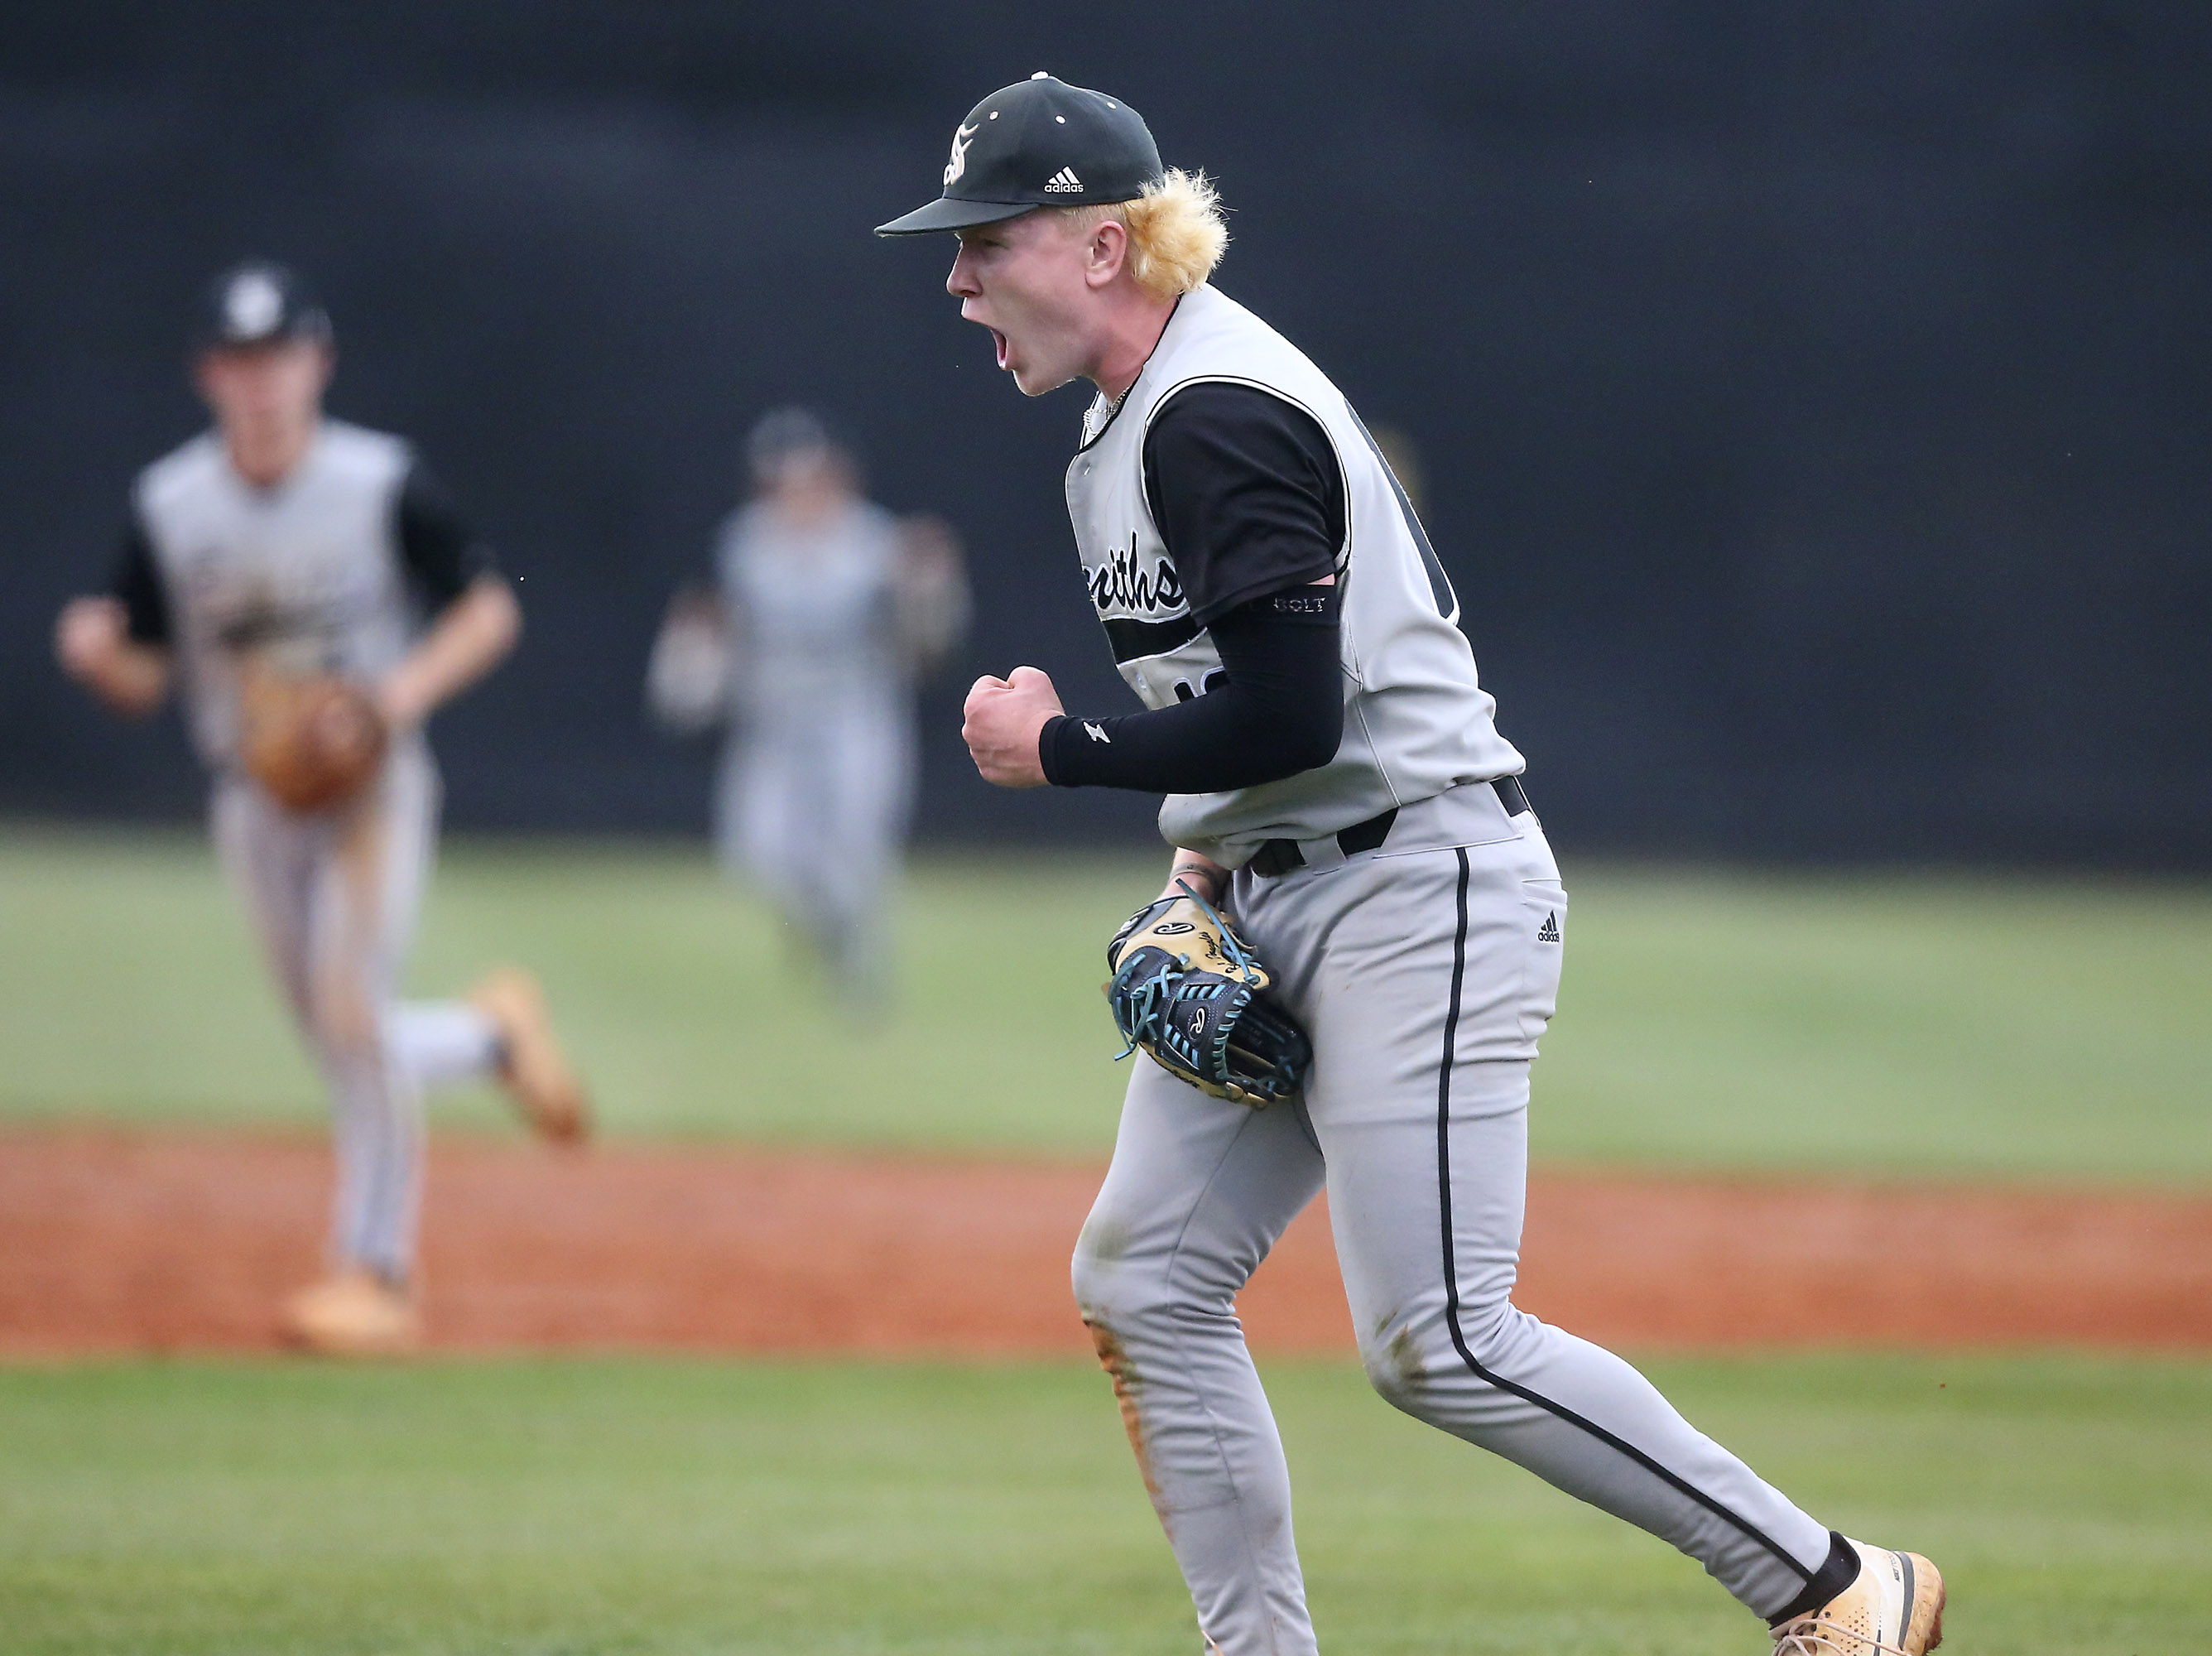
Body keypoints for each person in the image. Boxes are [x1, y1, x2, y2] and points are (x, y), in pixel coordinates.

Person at [878, 76, 1945, 1656]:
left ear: (1102, 246)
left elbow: (1297, 711)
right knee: (1145, 1284)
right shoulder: (1130, 419)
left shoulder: (1214, 410)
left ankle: (1836, 1586)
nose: (958, 276)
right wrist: (1204, 868)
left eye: (987, 240)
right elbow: (1253, 718)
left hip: (1416, 883)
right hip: (1285, 878)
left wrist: (1068, 753)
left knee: (1439, 1337)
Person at [54, 261, 590, 1355]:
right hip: (254, 799)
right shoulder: (174, 504)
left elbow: (488, 612)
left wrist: (389, 705)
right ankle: (495, 1035)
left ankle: (377, 1274)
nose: (262, 382)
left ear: (319, 363)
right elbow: (151, 672)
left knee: (351, 1013)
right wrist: (104, 659)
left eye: (280, 356)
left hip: (374, 793)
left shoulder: (378, 482)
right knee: (337, 1039)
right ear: (210, 373)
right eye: (241, 361)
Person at [647, 408, 968, 1011]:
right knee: (757, 853)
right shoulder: (745, 543)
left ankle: (861, 966)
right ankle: (828, 932)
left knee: (855, 853)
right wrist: (696, 663)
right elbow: (724, 629)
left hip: (855, 718)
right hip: (772, 725)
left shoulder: (871, 543)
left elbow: (926, 644)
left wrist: (931, 588)